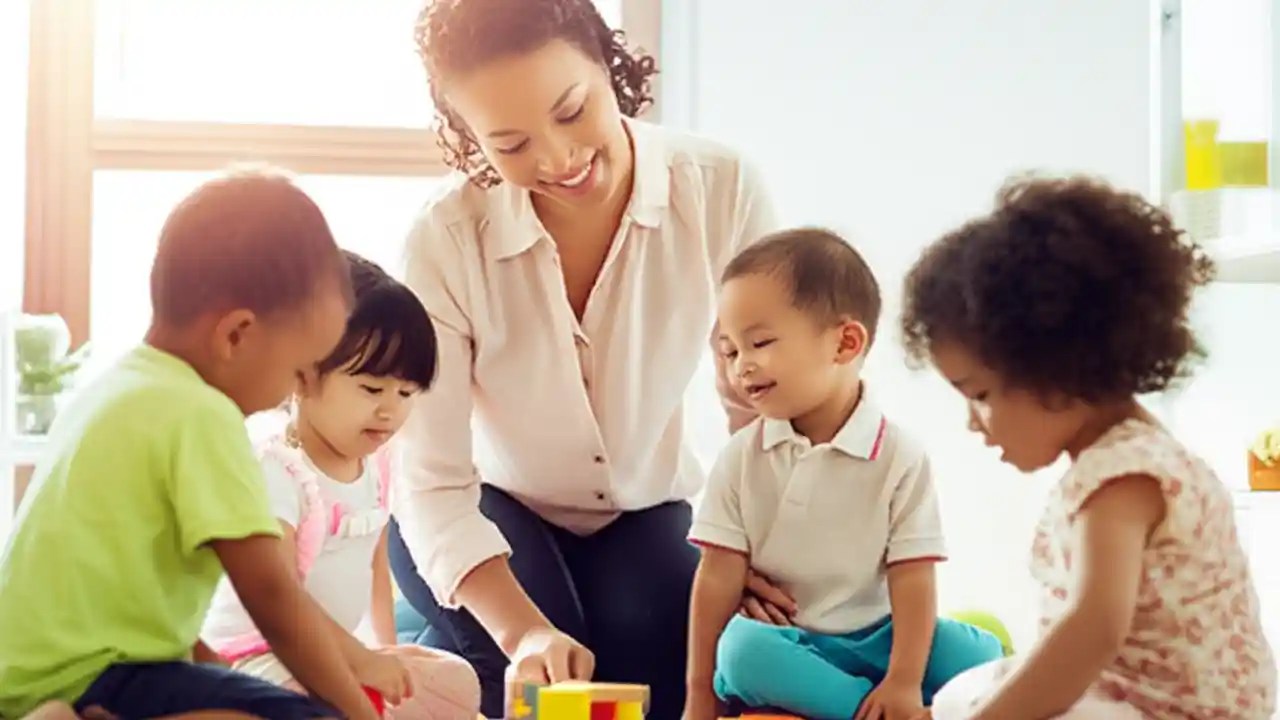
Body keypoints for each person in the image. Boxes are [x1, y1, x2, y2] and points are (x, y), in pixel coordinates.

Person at [385, 0, 783, 716]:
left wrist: (757, 547)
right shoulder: (444, 239)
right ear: (469, 138)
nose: (557, 159)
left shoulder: (720, 189)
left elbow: (766, 405)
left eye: (572, 110)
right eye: (510, 144)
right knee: (549, 677)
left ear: (609, 63)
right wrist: (525, 633)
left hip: (643, 508)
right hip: (483, 505)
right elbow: (433, 483)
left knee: (677, 669)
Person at [0, 168, 392, 720]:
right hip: (95, 676)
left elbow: (139, 609)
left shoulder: (119, 386)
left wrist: (214, 678)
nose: (295, 391)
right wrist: (356, 714)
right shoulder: (204, 416)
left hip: (32, 672)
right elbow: (275, 601)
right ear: (236, 334)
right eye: (298, 369)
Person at [900, 176, 1277, 719]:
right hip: (1135, 695)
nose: (973, 424)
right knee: (962, 693)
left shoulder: (1122, 478)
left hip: (1168, 712)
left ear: (1057, 368)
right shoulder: (1132, 451)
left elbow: (1093, 628)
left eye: (979, 395)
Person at [683, 229, 1003, 720]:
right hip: (790, 643)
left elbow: (913, 576)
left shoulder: (900, 455)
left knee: (980, 654)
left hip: (882, 636)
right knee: (743, 653)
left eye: (760, 342)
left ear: (845, 343)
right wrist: (699, 697)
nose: (741, 367)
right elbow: (716, 578)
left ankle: (884, 698)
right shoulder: (739, 458)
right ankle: (866, 709)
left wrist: (902, 678)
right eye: (728, 351)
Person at [199, 250, 482, 719]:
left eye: (406, 393)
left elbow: (375, 565)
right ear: (302, 378)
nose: (390, 410)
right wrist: (359, 664)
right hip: (259, 656)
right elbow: (279, 605)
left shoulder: (377, 464)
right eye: (372, 390)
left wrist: (382, 653)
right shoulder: (278, 471)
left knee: (457, 685)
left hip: (337, 655)